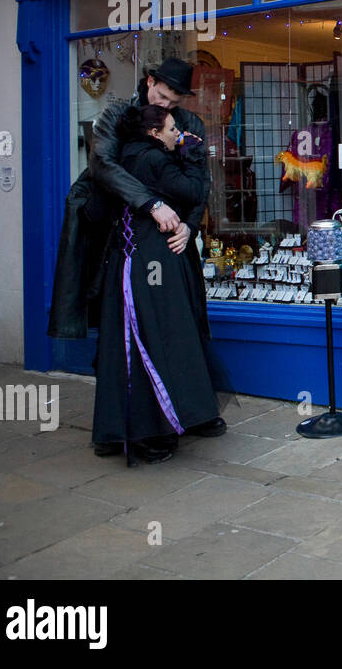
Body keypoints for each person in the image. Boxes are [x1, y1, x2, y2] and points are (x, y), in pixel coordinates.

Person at [49, 57, 226, 439]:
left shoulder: (188, 124)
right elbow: (103, 167)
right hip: (127, 240)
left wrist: (190, 227)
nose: (166, 108)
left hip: (174, 244)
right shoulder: (117, 117)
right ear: (149, 83)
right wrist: (152, 204)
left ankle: (191, 410)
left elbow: (200, 184)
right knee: (131, 332)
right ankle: (141, 423)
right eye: (162, 98)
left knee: (184, 325)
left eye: (174, 104)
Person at [91, 104, 223, 464]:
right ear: (153, 133)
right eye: (170, 129)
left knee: (134, 343)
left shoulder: (133, 155)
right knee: (158, 337)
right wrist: (193, 154)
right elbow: (194, 192)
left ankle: (130, 428)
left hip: (133, 258)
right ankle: (150, 432)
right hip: (150, 263)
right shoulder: (152, 160)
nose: (176, 133)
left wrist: (186, 225)